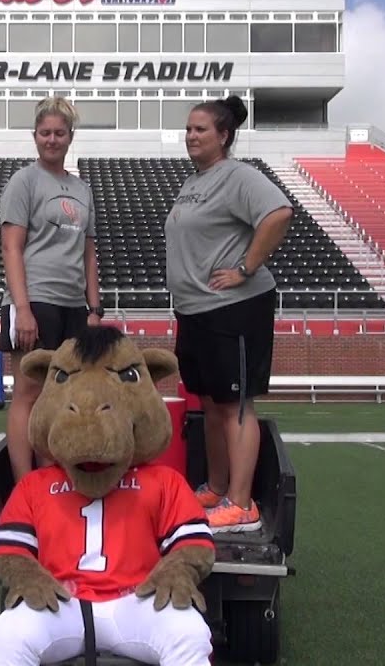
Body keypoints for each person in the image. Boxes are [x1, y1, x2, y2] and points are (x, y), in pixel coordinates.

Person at [164, 95, 293, 534]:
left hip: (234, 309)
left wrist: (244, 268)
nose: (191, 136)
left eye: (200, 129)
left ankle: (242, 504)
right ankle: (218, 489)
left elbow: (278, 213)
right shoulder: (194, 181)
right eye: (188, 129)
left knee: (237, 406)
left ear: (224, 135)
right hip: (196, 311)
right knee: (214, 407)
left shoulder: (239, 176)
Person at [0, 96, 103, 480]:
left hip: (73, 305)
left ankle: (52, 476)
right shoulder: (23, 181)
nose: (52, 140)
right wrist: (22, 309)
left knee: (62, 395)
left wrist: (94, 308)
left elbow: (89, 252)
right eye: (45, 133)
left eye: (59, 133)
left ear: (70, 137)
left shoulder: (82, 189)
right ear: (35, 136)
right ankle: (27, 484)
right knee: (29, 394)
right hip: (35, 300)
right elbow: (11, 246)